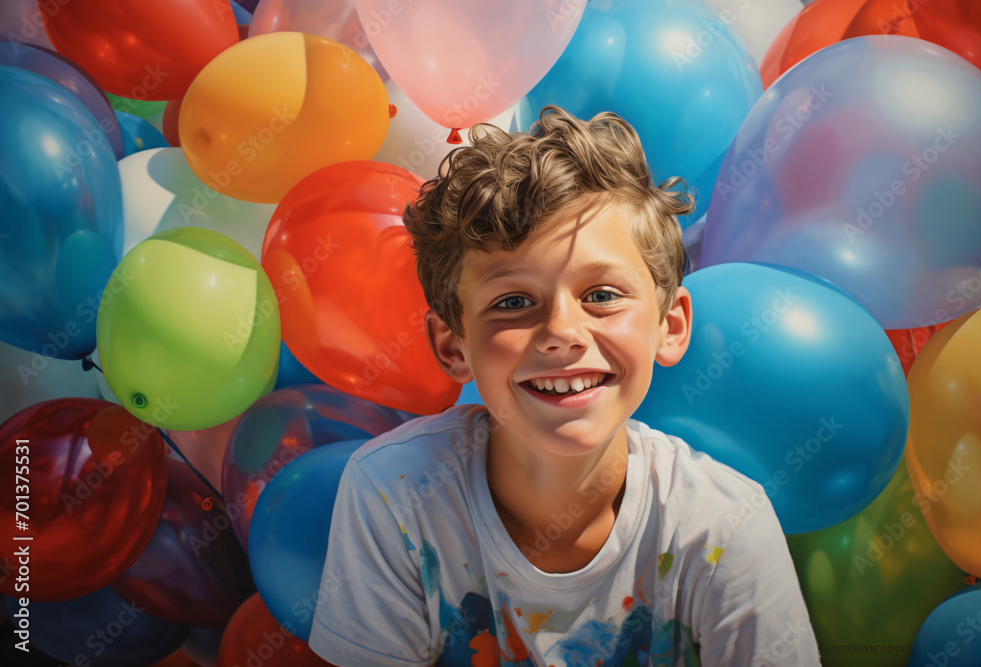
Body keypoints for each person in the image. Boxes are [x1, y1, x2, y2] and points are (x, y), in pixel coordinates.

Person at [308, 105, 821, 666]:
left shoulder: (724, 526)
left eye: (601, 295)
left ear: (669, 326)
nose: (561, 333)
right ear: (454, 346)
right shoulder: (395, 494)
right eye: (512, 302)